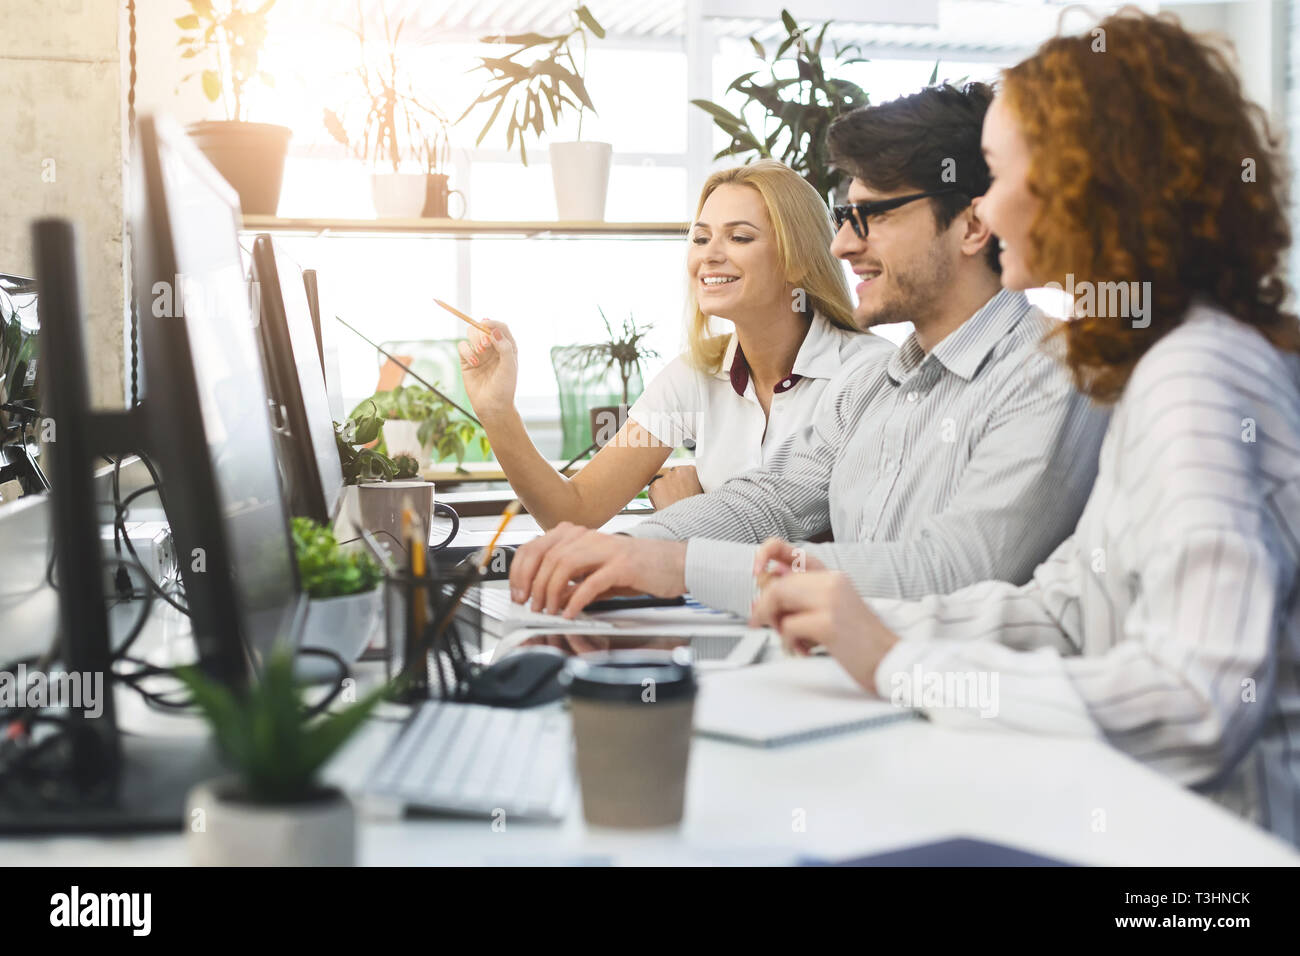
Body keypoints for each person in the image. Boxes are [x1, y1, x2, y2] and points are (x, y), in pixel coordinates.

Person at [751, 11, 1300, 848]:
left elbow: (1195, 702)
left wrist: (899, 663)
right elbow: (1068, 609)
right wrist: (862, 624)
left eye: (1002, 174)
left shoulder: (1195, 378)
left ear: (1086, 182)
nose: (990, 204)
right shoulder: (1156, 359)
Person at [508, 83, 1109, 618]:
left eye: (870, 216)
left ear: (972, 227)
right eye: (846, 216)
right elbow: (765, 503)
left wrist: (679, 567)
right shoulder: (876, 388)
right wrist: (629, 550)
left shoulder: (1053, 375)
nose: (843, 244)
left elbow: (953, 571)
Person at [457, 160, 888, 530]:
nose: (709, 255)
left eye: (739, 237)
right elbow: (575, 511)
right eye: (701, 238)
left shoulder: (870, 375)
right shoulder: (695, 374)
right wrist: (498, 412)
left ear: (799, 258)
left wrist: (693, 515)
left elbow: (861, 548)